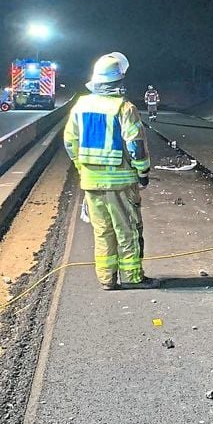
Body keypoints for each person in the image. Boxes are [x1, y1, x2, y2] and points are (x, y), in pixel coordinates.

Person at [64, 52, 158, 290]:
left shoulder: (80, 105)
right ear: (118, 82)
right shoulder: (124, 108)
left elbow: (69, 142)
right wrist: (143, 173)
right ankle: (133, 277)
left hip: (91, 182)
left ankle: (106, 279)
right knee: (127, 230)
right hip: (121, 183)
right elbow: (135, 145)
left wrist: (82, 167)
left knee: (102, 231)